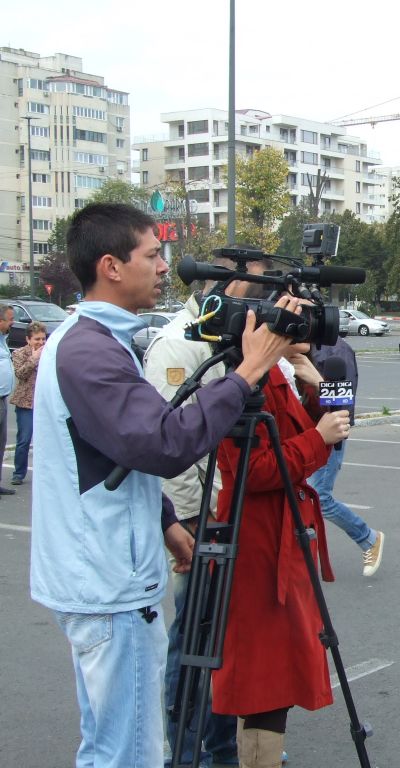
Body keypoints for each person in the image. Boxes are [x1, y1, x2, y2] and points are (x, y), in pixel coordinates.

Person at [28, 202, 297, 768]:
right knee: (125, 752)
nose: (164, 267)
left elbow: (110, 454)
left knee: (117, 742)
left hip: (109, 574)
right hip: (106, 585)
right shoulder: (88, 349)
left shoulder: (94, 341)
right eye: (152, 255)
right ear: (112, 266)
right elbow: (162, 444)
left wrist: (167, 524)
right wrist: (248, 371)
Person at [143, 252, 275, 767]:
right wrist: (189, 520)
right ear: (226, 283)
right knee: (193, 636)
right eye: (258, 287)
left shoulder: (248, 335)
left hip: (236, 505)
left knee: (230, 634)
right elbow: (168, 439)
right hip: (201, 514)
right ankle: (185, 749)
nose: (264, 298)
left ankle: (222, 746)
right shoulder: (176, 341)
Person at [212, 339, 350, 768]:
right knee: (262, 676)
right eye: (297, 309)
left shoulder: (290, 369)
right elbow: (253, 471)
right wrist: (315, 438)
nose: (310, 319)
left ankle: (256, 755)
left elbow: (343, 424)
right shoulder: (251, 376)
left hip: (287, 535)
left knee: (277, 673)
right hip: (260, 542)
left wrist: (322, 383)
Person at [309, 336, 385, 576]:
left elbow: (341, 403)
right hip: (302, 435)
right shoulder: (296, 346)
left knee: (320, 499)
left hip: (326, 437)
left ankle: (368, 538)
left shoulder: (336, 351)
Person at [10, 321, 46, 485]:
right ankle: (18, 473)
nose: (40, 343)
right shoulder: (19, 353)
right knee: (24, 439)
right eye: (37, 339)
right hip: (25, 403)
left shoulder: (49, 353)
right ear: (28, 339)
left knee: (45, 440)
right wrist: (34, 358)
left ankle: (44, 473)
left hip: (43, 403)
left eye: (43, 339)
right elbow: (21, 374)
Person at [0, 303, 15, 495]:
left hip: (3, 398)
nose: (13, 323)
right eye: (10, 319)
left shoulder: (3, 339)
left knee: (1, 443)